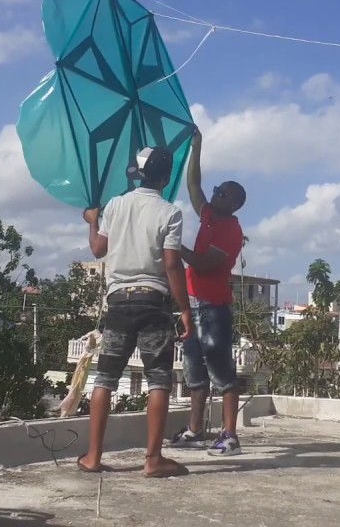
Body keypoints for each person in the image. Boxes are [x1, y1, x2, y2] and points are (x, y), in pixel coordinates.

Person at [76, 145, 194, 478]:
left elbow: (98, 249)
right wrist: (184, 310)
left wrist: (92, 221)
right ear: (167, 177)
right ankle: (153, 460)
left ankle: (93, 457)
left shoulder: (115, 205)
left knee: (105, 380)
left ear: (138, 173)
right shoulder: (170, 213)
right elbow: (172, 265)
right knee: (159, 380)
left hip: (118, 303)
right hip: (153, 302)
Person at [168, 129, 248, 456]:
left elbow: (202, 264)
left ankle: (230, 435)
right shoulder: (211, 217)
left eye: (221, 193)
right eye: (216, 190)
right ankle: (195, 430)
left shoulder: (231, 230)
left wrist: (173, 245)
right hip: (195, 305)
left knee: (221, 371)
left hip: (213, 309)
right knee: (194, 372)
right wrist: (196, 146)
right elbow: (193, 185)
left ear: (234, 203)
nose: (213, 195)